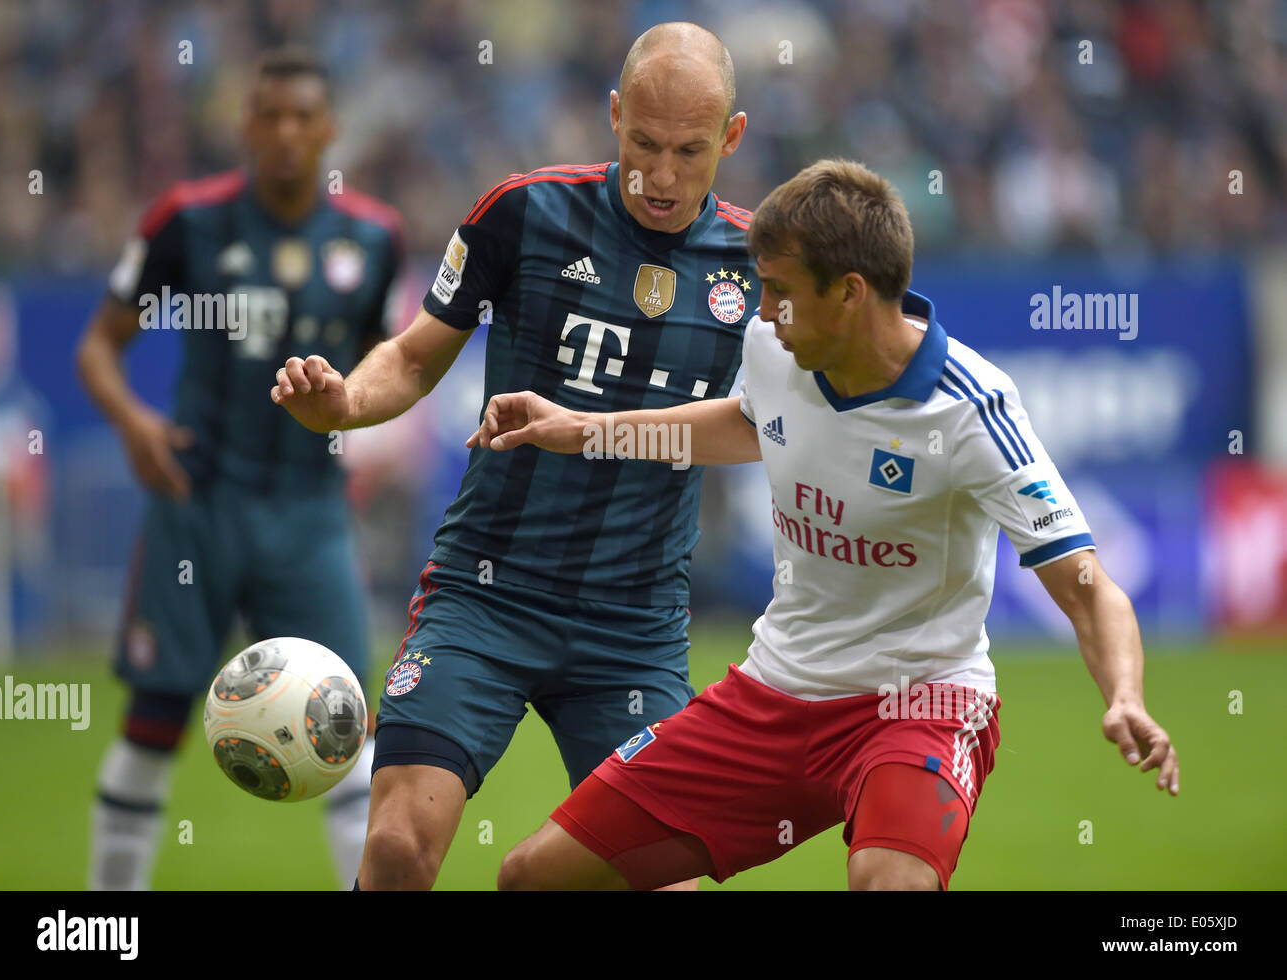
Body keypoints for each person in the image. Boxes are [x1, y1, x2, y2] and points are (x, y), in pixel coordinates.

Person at [470, 158, 1180, 891]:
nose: (763, 307)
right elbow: (747, 425)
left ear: (849, 294)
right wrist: (584, 429)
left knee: (889, 882)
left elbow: (1087, 584)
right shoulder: (774, 348)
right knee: (534, 876)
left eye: (780, 290)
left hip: (919, 704)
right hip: (772, 692)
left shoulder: (971, 410)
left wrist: (1125, 695)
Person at [272, 22, 751, 891]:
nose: (663, 175)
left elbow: (786, 419)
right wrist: (344, 401)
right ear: (612, 117)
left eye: (689, 150)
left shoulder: (758, 267)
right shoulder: (524, 212)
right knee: (394, 851)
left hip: (633, 630)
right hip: (486, 595)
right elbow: (414, 355)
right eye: (643, 143)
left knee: (666, 883)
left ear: (733, 136)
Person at [76, 48, 402, 890]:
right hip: (199, 502)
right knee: (154, 718)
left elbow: (384, 358)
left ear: (329, 128)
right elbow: (99, 348)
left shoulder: (373, 238)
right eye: (272, 116)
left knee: (345, 729)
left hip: (308, 512)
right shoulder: (188, 220)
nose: (288, 132)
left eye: (305, 116)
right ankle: (106, 919)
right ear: (247, 124)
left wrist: (360, 419)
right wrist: (134, 422)